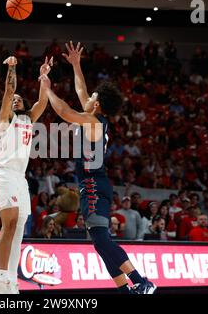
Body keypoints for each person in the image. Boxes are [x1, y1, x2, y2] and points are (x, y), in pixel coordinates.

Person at [39, 41, 156, 294]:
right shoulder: (96, 118)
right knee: (99, 243)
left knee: (101, 239)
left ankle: (141, 281)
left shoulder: (92, 121)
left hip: (92, 182)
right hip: (94, 182)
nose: (88, 97)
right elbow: (82, 92)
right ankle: (125, 289)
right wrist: (76, 65)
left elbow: (65, 111)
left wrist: (47, 89)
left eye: (93, 97)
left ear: (98, 104)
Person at [0, 55, 53, 294]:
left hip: (20, 179)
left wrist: (44, 75)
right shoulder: (6, 120)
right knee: (11, 222)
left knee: (19, 228)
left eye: (18, 99)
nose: (14, 100)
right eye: (12, 100)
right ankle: (1, 275)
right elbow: (8, 90)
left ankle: (10, 280)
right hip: (4, 175)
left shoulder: (29, 118)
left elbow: (42, 101)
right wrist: (12, 68)